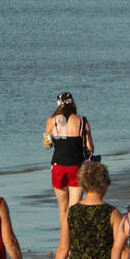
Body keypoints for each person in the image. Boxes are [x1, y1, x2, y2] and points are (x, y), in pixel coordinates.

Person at [44, 92, 94, 229]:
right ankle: (73, 243)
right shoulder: (82, 122)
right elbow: (90, 148)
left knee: (62, 208)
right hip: (76, 167)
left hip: (58, 166)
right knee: (74, 207)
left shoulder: (51, 121)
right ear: (73, 104)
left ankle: (64, 240)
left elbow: (46, 145)